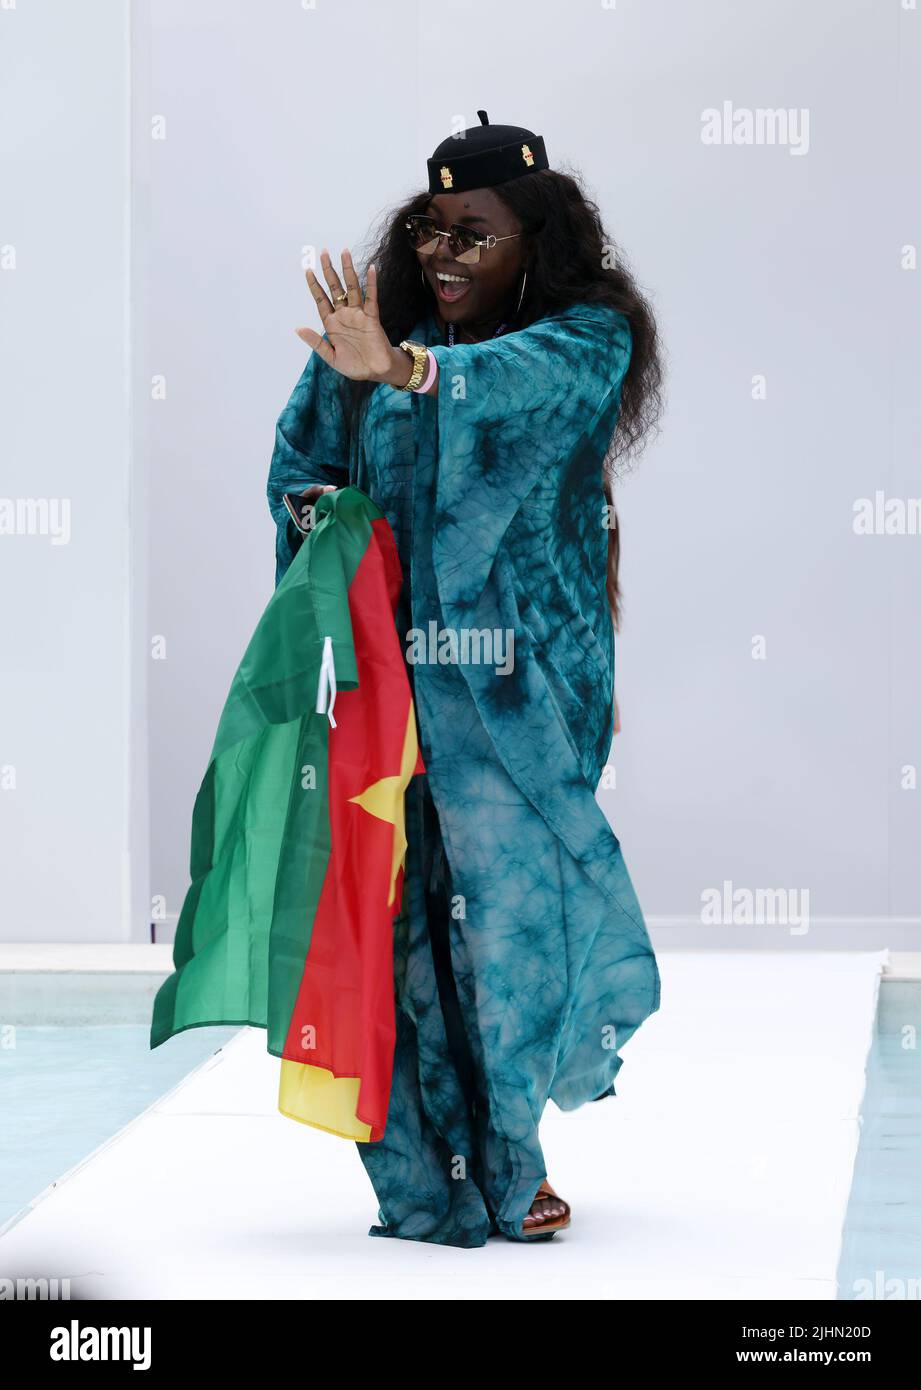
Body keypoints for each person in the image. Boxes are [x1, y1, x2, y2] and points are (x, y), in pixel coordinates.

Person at [266, 110, 663, 1247]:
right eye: (431, 232)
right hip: (388, 696)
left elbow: (512, 382)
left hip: (523, 698)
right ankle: (426, 1174)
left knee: (513, 924)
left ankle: (512, 1154)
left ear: (532, 243)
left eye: (473, 236)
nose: (444, 256)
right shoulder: (362, 345)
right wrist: (329, 521)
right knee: (393, 924)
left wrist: (406, 370)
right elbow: (301, 471)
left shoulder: (588, 339)